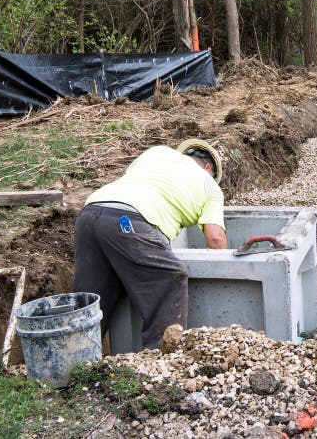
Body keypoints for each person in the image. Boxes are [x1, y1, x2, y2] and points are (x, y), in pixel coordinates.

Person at [73, 139, 228, 349]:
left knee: (89, 302)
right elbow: (216, 238)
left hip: (90, 213)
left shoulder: (156, 152)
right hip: (128, 222)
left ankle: (75, 364)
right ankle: (159, 361)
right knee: (170, 277)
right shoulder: (210, 187)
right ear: (208, 168)